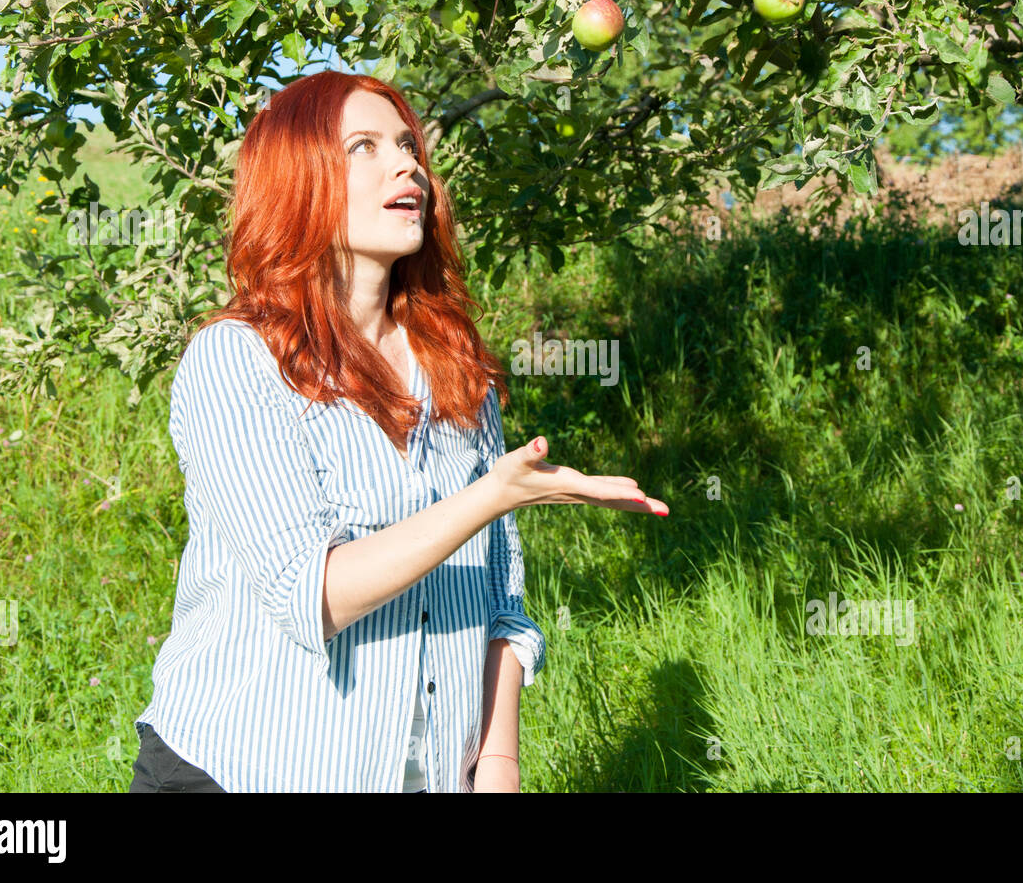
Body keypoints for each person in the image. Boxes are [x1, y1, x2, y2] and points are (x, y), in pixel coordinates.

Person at [129, 70, 668, 794]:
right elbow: (311, 595)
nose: (407, 163)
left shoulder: (455, 364)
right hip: (243, 766)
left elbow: (501, 599)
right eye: (365, 146)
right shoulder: (236, 359)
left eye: (408, 145)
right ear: (298, 181)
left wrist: (497, 763)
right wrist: (492, 496)